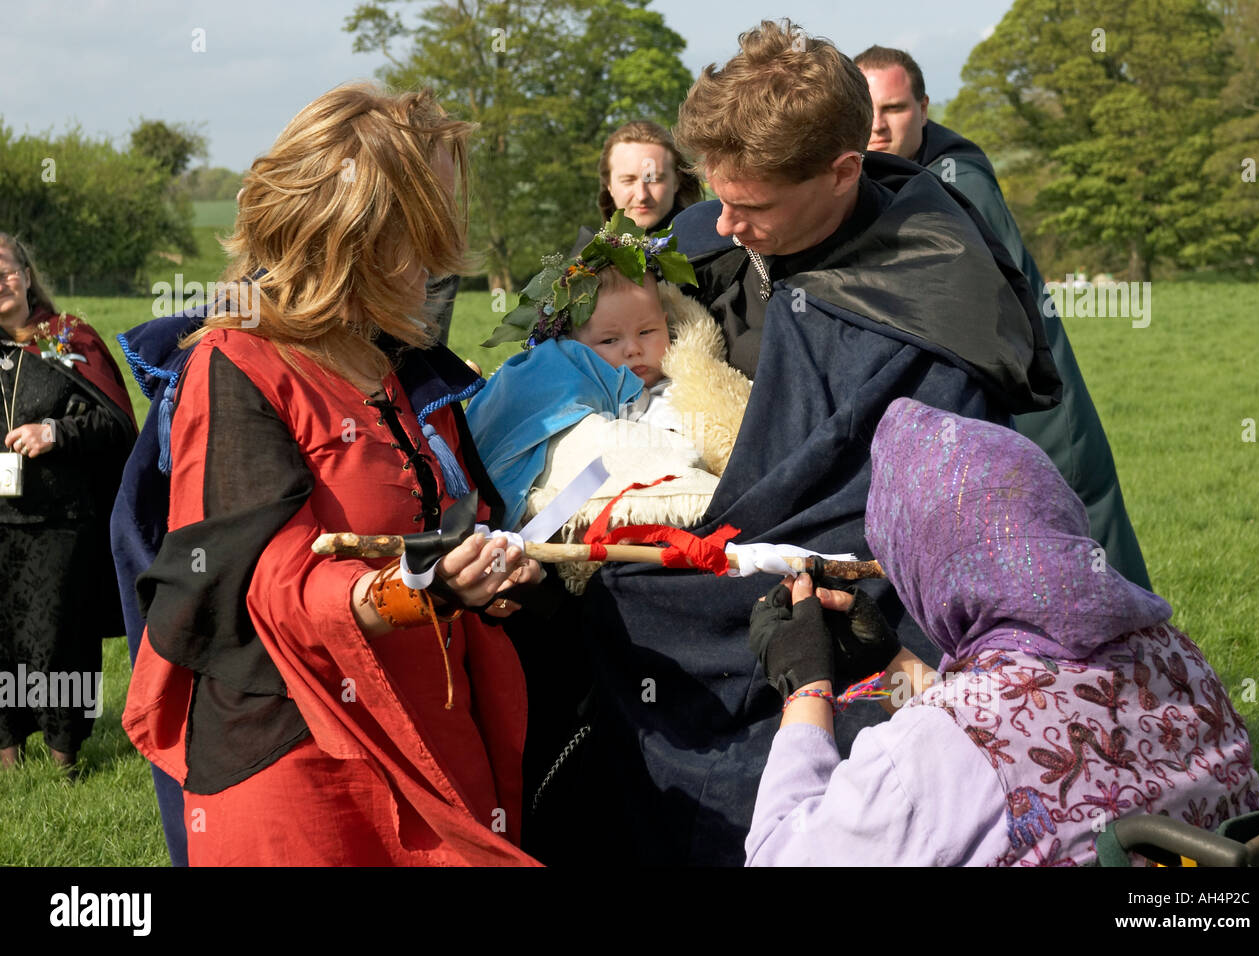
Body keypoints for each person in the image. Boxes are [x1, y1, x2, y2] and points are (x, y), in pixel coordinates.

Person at [531, 20, 1062, 866]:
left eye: (754, 206)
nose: (726, 223)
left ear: (843, 171)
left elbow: (920, 531)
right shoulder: (722, 232)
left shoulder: (927, 295)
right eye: (718, 195)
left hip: (834, 618)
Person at [116, 83, 543, 866]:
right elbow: (270, 579)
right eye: (430, 221)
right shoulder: (238, 366)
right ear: (366, 234)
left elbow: (448, 518)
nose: (448, 244)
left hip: (432, 739)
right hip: (306, 766)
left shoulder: (398, 367)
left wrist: (490, 567)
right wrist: (419, 587)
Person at [745, 397, 1259, 865]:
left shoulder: (932, 757)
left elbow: (780, 857)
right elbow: (1009, 732)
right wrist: (887, 664)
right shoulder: (1178, 658)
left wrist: (805, 685)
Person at [854, 45, 1151, 590]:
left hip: (1032, 401)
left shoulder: (956, 182)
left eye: (893, 108)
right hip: (992, 397)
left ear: (923, 106)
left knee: (1082, 553)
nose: (877, 125)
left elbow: (994, 308)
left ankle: (1142, 671)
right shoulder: (887, 174)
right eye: (865, 109)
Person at [468, 214, 749, 581]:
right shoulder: (580, 386)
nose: (633, 349)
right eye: (609, 340)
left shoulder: (684, 386)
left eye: (647, 331)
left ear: (668, 323)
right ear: (577, 347)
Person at [0, 234, 137, 776]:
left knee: (59, 640)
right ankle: (7, 758)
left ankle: (65, 757)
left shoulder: (61, 337)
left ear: (27, 275)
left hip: (59, 523)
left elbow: (115, 421)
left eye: (5, 269)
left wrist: (55, 432)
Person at [598, 121, 704, 233]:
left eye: (654, 180)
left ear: (676, 182)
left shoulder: (710, 247)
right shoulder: (588, 249)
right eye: (628, 180)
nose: (642, 196)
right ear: (609, 184)